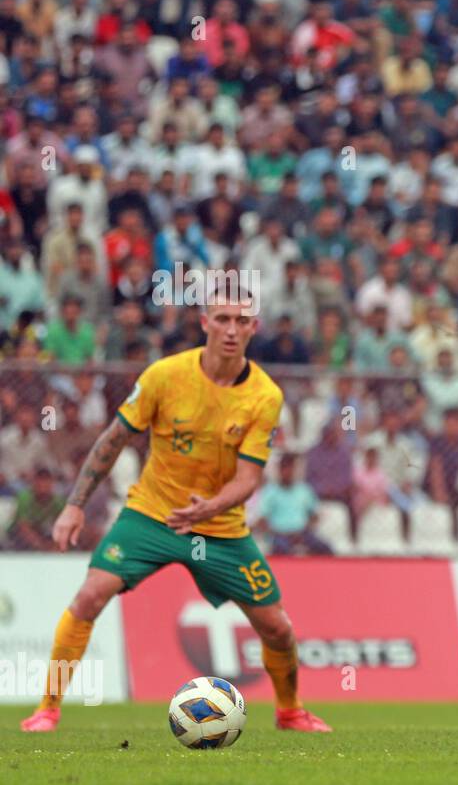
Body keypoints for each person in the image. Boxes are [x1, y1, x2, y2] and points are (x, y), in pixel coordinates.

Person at [20, 292, 330, 734]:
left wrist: (212, 506)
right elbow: (113, 439)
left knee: (277, 628)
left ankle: (290, 711)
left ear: (253, 329)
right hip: (152, 515)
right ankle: (46, 709)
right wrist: (74, 505)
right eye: (221, 318)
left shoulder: (265, 396)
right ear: (204, 322)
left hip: (220, 529)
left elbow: (248, 479)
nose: (230, 329)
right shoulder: (164, 376)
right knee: (90, 595)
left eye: (241, 321)